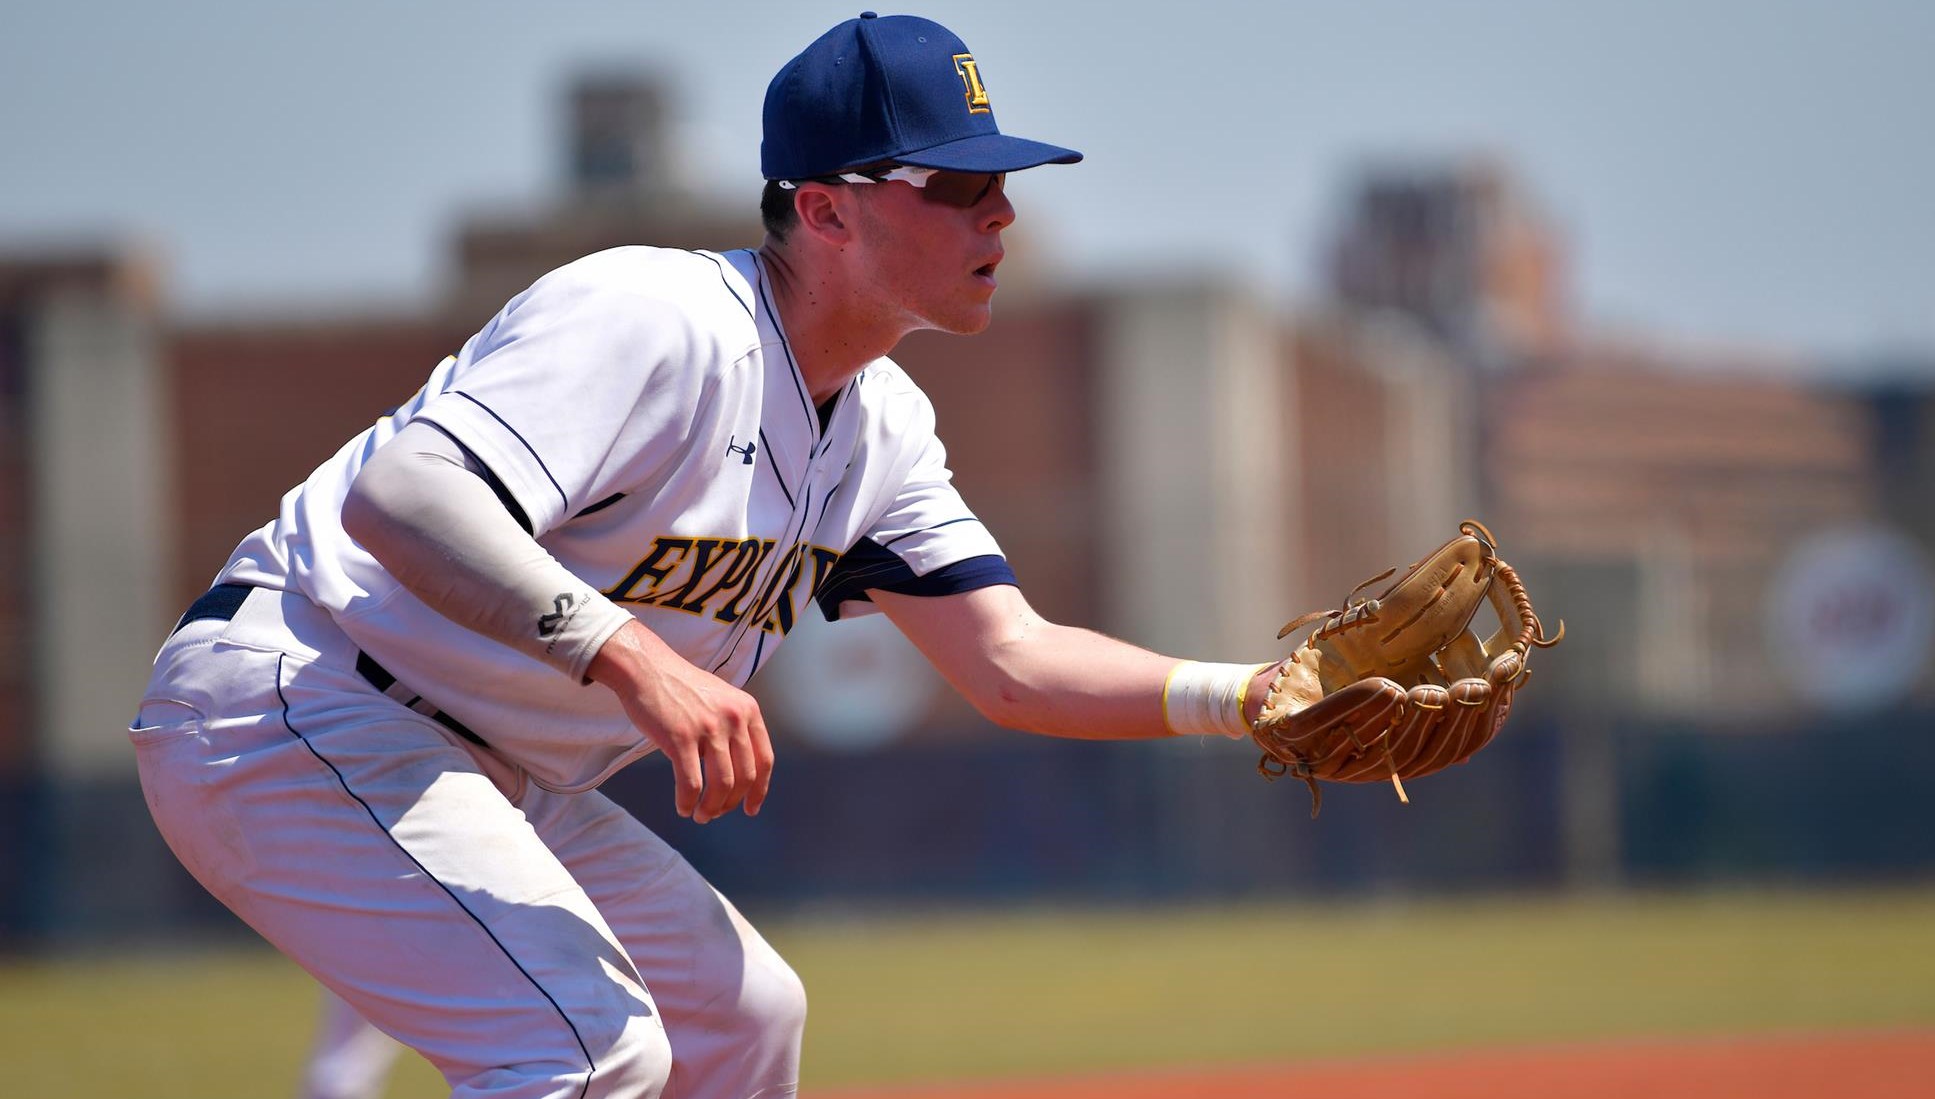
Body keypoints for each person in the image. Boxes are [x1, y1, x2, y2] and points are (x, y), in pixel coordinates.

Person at [131, 13, 1278, 1099]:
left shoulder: (881, 429)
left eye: (1005, 186)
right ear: (826, 211)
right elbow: (402, 495)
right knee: (583, 1047)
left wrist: (1258, 699)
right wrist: (628, 651)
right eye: (961, 185)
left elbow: (1012, 662)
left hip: (486, 762)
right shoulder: (655, 315)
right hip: (299, 696)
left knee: (744, 1017)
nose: (1002, 215)